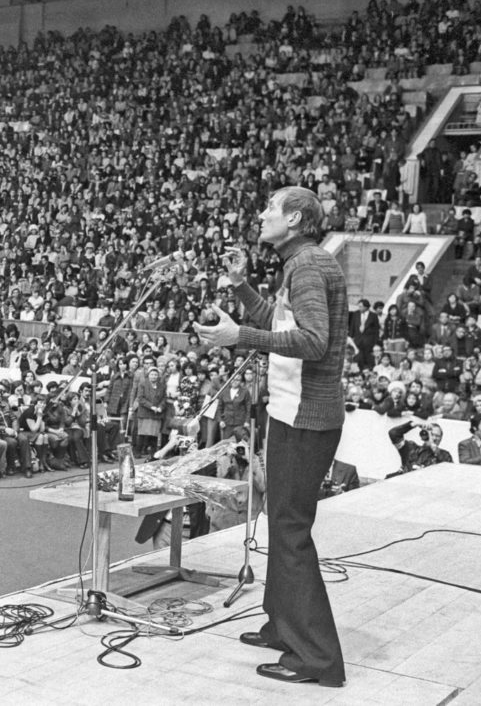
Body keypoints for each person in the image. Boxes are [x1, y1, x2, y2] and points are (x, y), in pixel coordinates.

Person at [195, 186, 347, 688]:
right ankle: (283, 627)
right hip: (291, 413)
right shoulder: (300, 262)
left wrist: (240, 336)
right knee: (280, 520)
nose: (261, 214)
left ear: (297, 220)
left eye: (271, 208)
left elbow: (312, 341)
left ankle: (317, 658)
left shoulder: (307, 266)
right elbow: (277, 324)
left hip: (306, 417)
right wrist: (240, 288)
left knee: (289, 531)